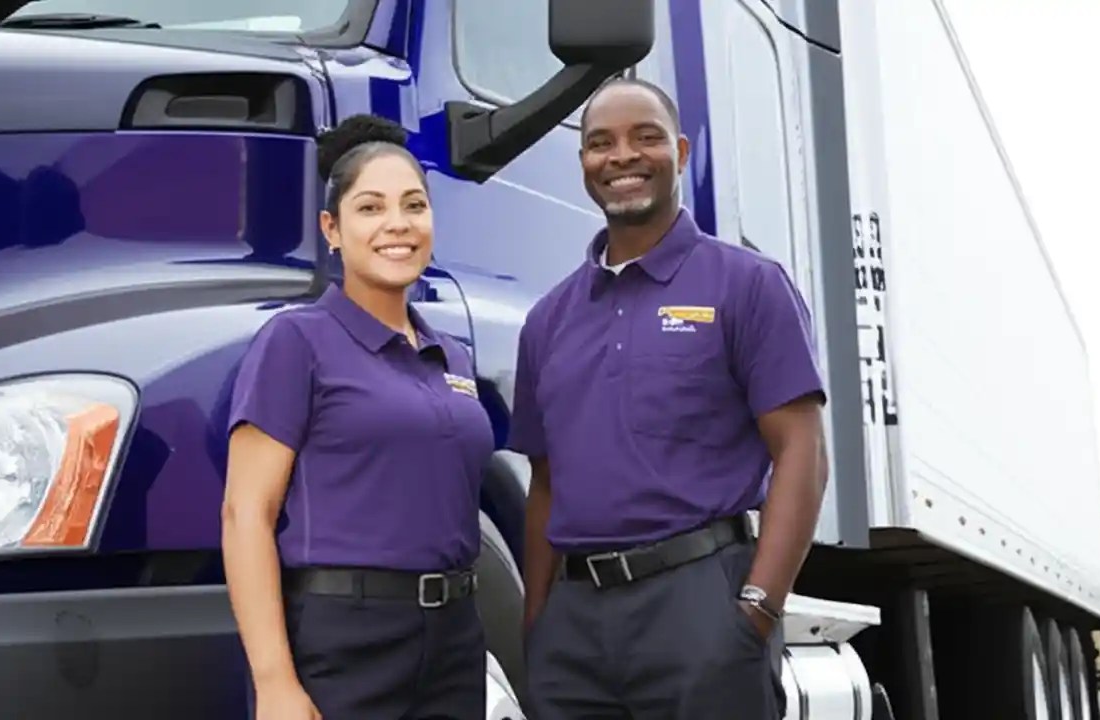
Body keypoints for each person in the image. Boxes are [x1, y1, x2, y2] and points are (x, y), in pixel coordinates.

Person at [510, 77, 829, 718]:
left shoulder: (747, 285)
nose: (622, 156)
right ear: (583, 166)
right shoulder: (547, 320)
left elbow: (802, 452)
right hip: (575, 632)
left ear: (680, 153)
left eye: (645, 138)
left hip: (701, 605)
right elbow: (545, 484)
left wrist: (759, 609)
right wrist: (539, 624)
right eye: (601, 143)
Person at [221, 114, 494, 720]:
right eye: (370, 208)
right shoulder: (297, 341)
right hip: (345, 642)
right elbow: (246, 515)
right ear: (332, 229)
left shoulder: (452, 355)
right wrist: (275, 683)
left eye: (414, 205)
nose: (397, 224)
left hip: (453, 639)